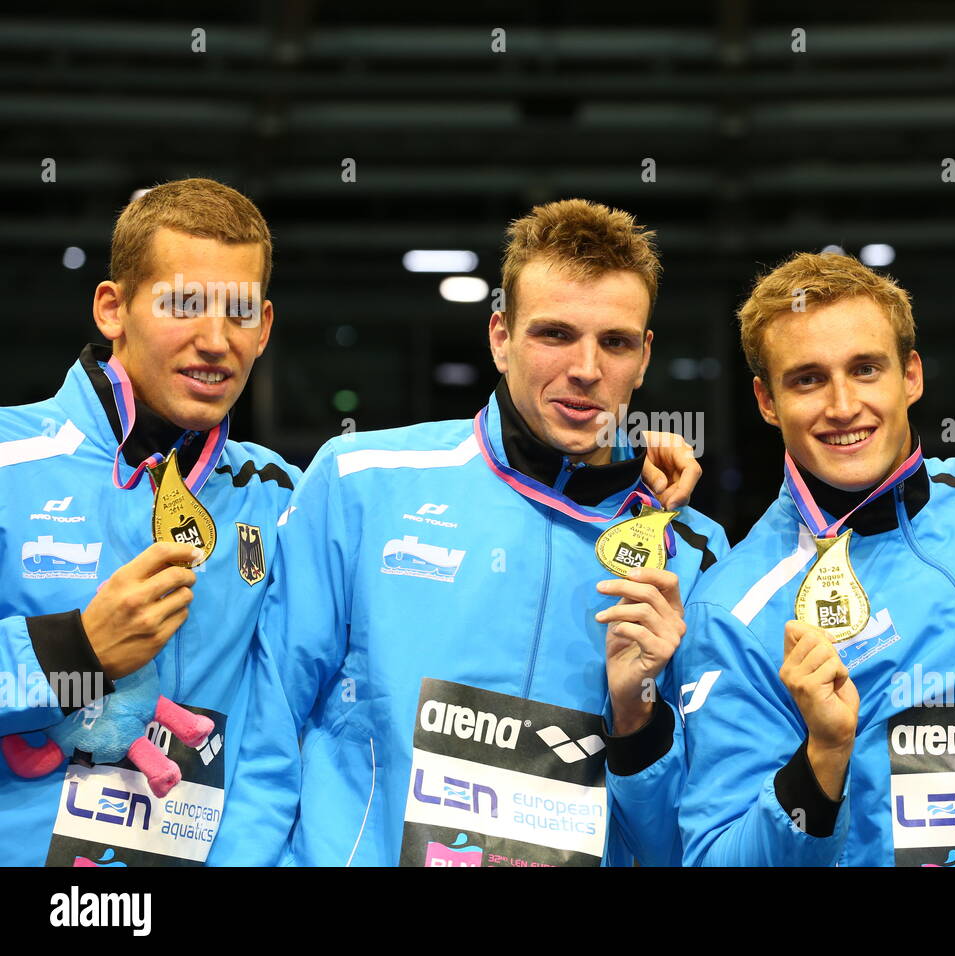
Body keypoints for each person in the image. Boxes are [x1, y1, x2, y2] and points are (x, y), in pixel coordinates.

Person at [237, 198, 728, 866]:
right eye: (554, 334)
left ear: (643, 358)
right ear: (500, 336)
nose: (586, 368)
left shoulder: (693, 554)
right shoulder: (360, 482)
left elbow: (682, 840)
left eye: (614, 342)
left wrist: (639, 716)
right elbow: (264, 737)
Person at [675, 252, 955, 867]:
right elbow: (714, 858)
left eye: (865, 369)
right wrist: (821, 758)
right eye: (806, 379)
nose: (843, 405)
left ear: (911, 375)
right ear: (766, 401)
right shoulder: (733, 608)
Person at [0, 178, 300, 866]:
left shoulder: (286, 496)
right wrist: (71, 652)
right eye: (184, 305)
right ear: (113, 307)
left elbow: (294, 729)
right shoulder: (8, 461)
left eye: (241, 312)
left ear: (266, 327)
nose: (216, 340)